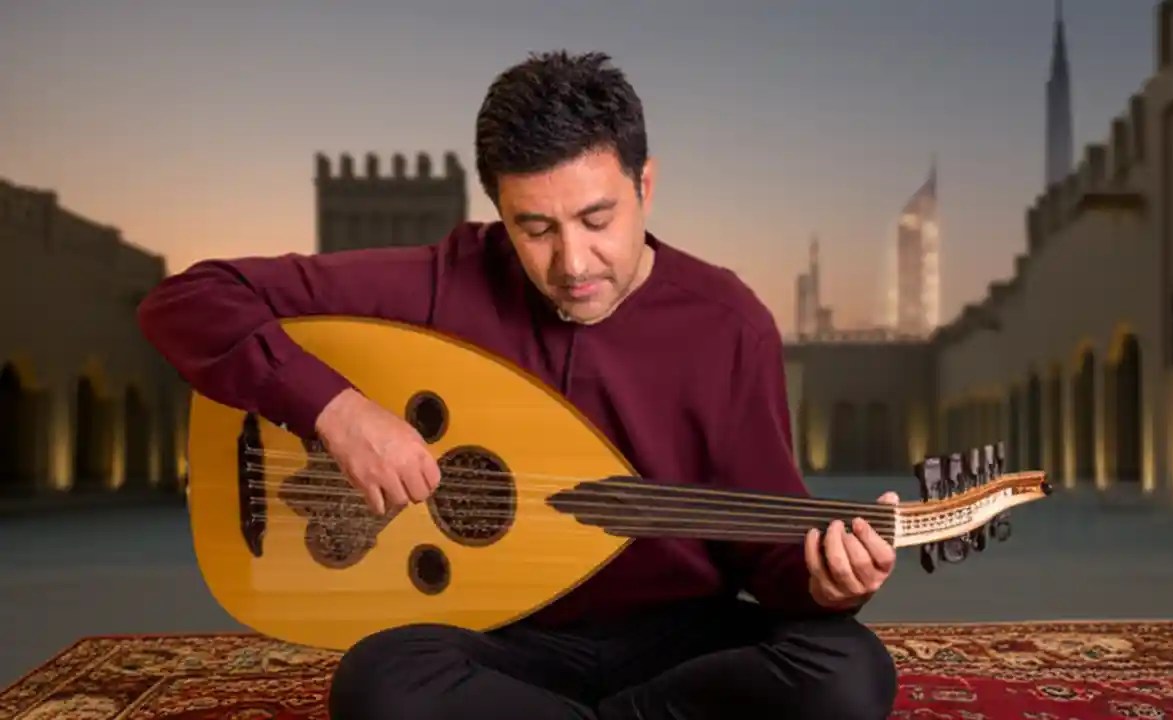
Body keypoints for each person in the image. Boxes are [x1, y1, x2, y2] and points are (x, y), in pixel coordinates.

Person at [137, 50, 899, 720]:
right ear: (499, 211)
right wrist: (336, 411)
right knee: (380, 687)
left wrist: (831, 583)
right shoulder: (444, 283)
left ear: (647, 184)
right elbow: (187, 302)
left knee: (847, 674)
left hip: (678, 635)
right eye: (535, 229)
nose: (573, 262)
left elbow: (765, 554)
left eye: (598, 218)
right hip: (493, 638)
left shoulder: (731, 323)